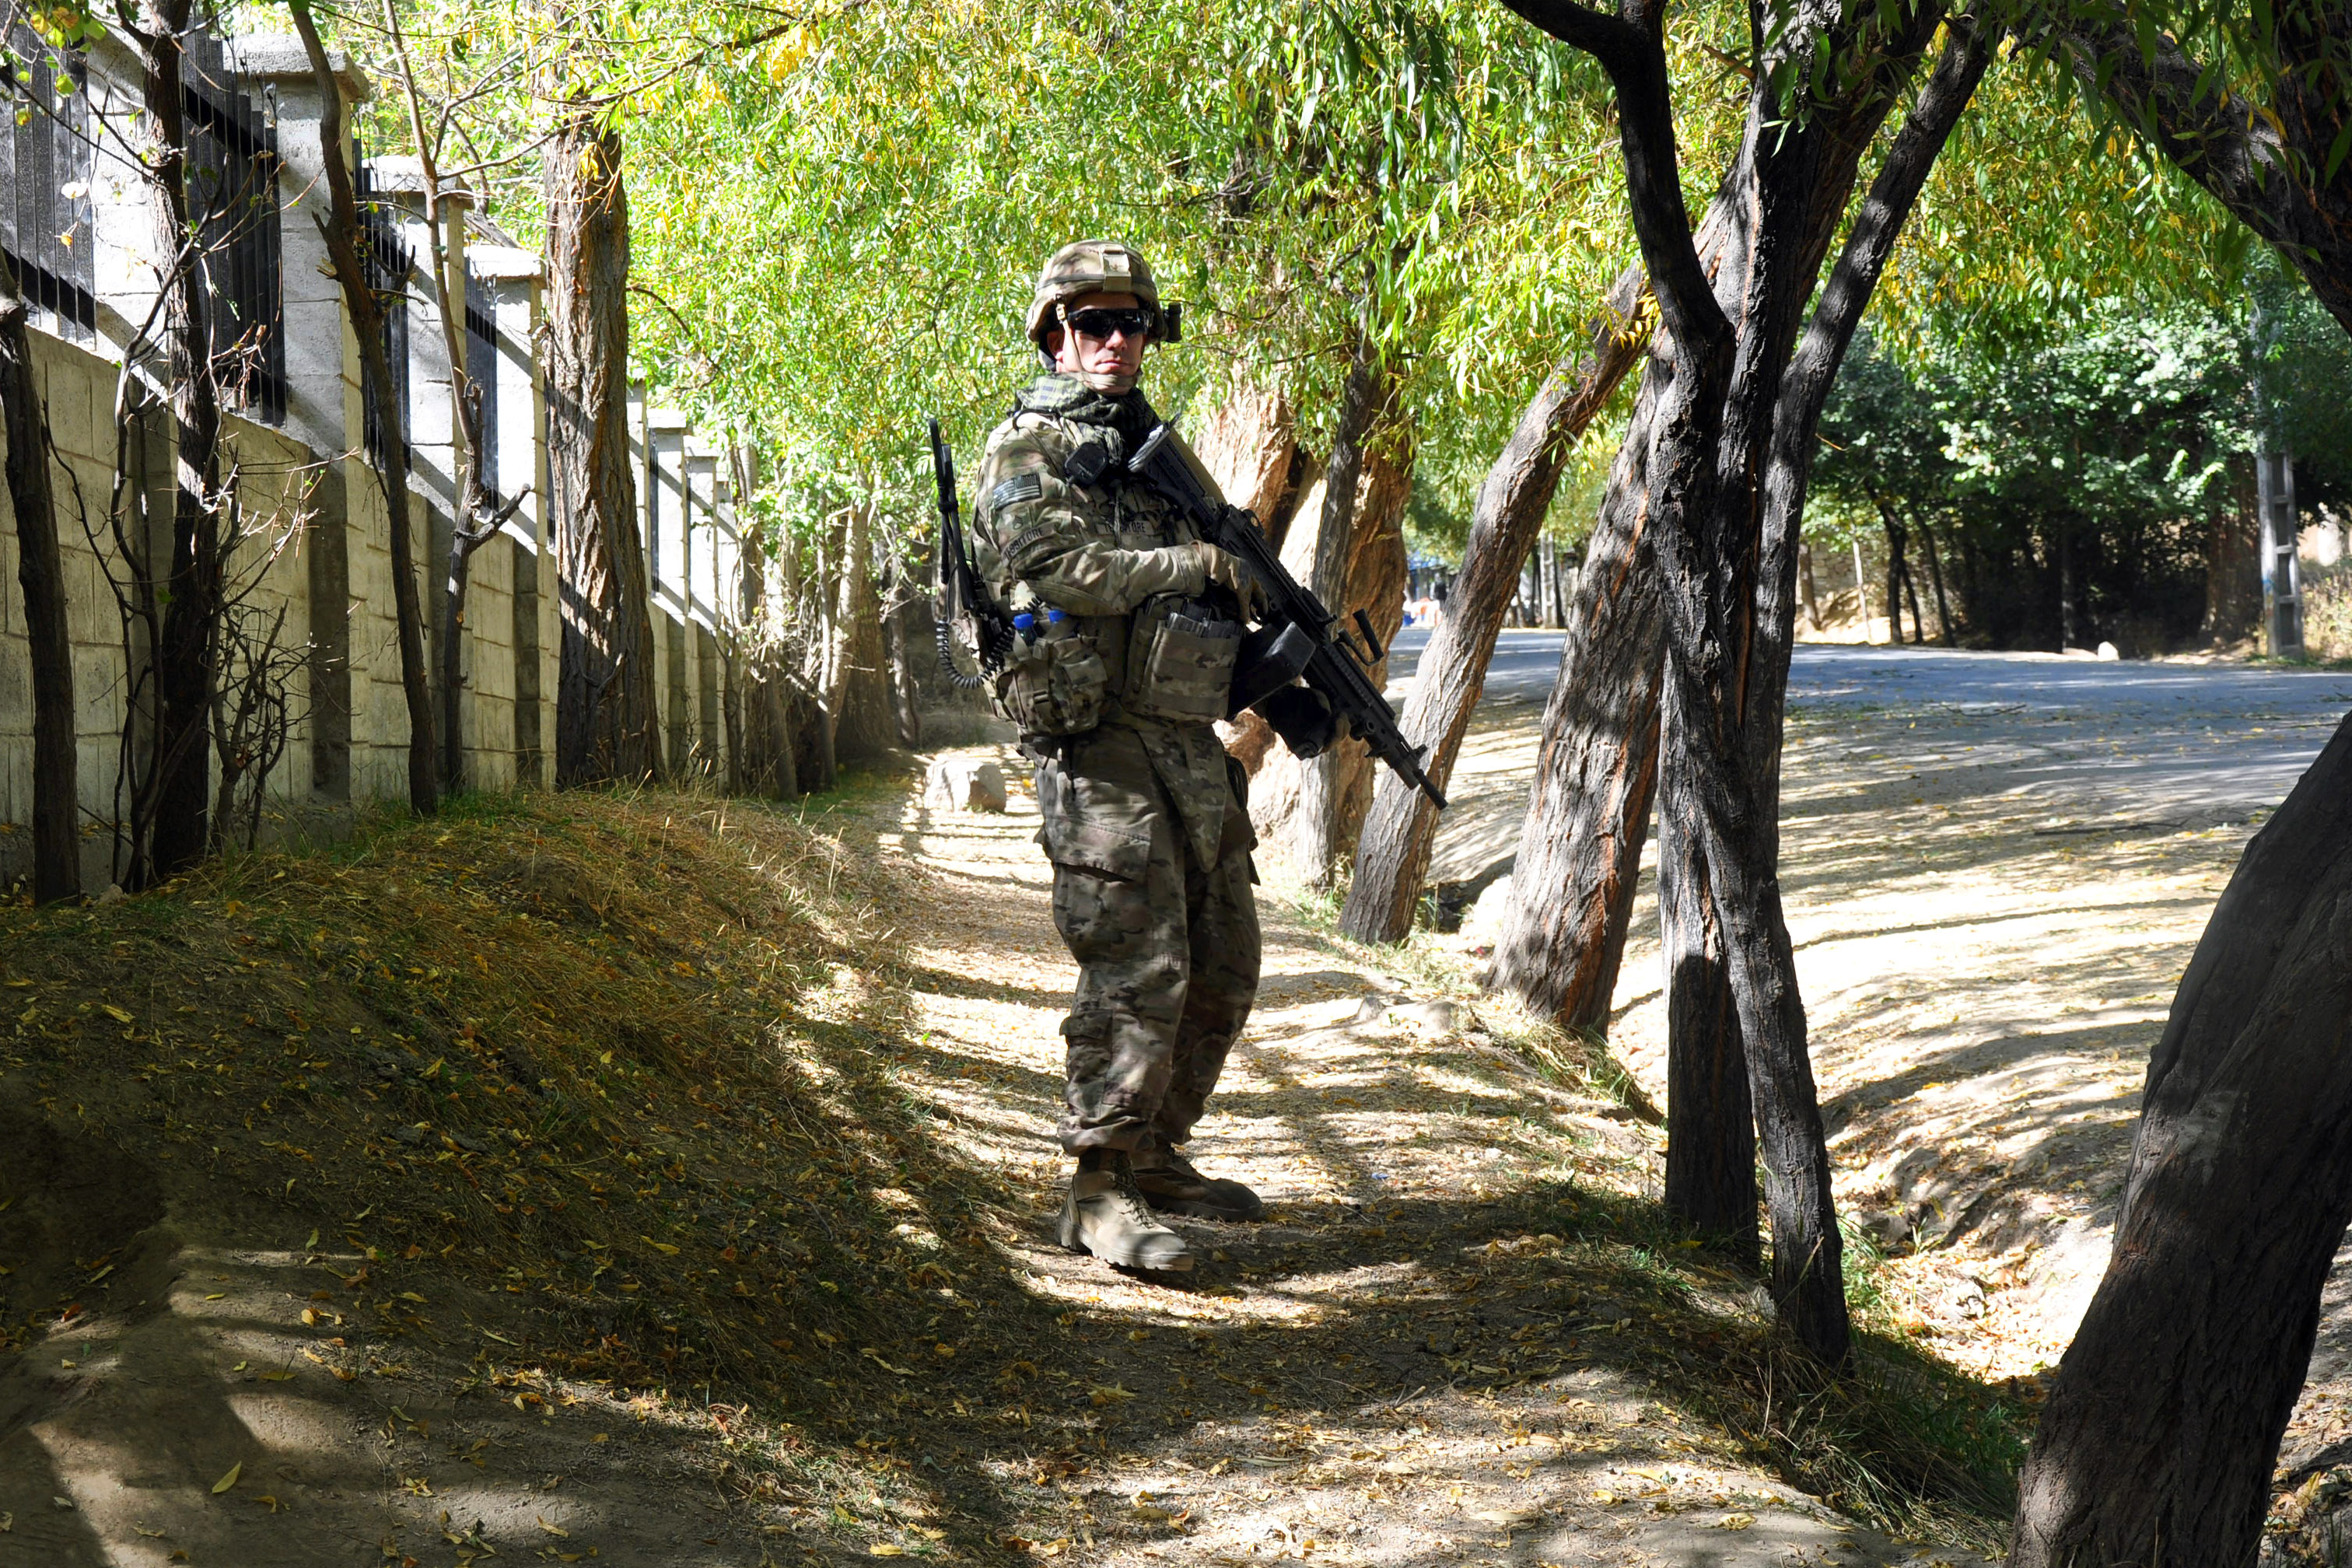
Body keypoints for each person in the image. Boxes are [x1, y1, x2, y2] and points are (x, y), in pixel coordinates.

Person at [967, 240, 1269, 1273]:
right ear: (1055, 333)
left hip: (1186, 742)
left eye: (1132, 323)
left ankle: (1153, 1150)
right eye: (1092, 324)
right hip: (1099, 746)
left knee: (1226, 963)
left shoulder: (1158, 456)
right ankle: (1095, 1180)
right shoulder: (1026, 448)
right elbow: (1056, 565)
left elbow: (1224, 577)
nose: (1114, 342)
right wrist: (1191, 561)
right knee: (1139, 965)